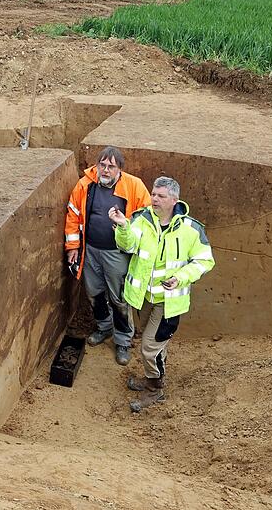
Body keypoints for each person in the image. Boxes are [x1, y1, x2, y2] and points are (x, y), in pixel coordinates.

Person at [109, 176, 215, 412]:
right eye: (153, 194)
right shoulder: (141, 219)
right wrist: (123, 227)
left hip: (169, 302)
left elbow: (205, 260)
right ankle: (152, 378)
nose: (154, 199)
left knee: (148, 347)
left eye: (160, 196)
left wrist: (181, 277)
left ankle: (155, 389)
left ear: (174, 200)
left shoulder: (191, 229)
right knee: (155, 346)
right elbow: (128, 246)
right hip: (144, 298)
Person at [64, 146, 151, 365]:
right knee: (94, 292)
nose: (105, 170)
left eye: (111, 166)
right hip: (91, 251)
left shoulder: (134, 186)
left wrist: (126, 227)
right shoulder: (86, 184)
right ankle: (104, 327)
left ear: (119, 169)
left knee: (119, 298)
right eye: (102, 165)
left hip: (117, 254)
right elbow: (73, 215)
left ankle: (122, 340)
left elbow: (146, 220)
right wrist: (73, 247)